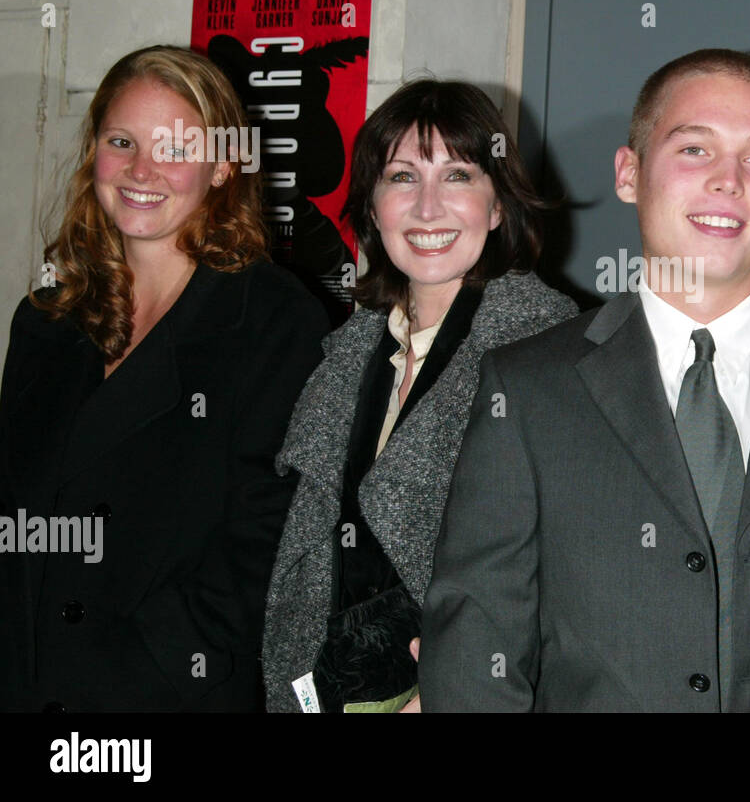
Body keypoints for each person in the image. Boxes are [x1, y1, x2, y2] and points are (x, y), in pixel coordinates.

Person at [419, 49, 750, 711]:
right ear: (629, 173)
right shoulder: (529, 389)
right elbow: (476, 656)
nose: (729, 180)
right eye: (694, 149)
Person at [0, 45, 329, 711]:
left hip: (166, 699)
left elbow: (272, 539)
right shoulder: (43, 323)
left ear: (221, 166)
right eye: (122, 141)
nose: (141, 169)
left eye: (174, 147)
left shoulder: (271, 320)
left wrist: (149, 661)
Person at [262, 80, 577, 713]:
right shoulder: (342, 358)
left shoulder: (553, 350)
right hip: (329, 691)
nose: (428, 208)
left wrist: (454, 686)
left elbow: (576, 572)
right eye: (403, 177)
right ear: (372, 207)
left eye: (458, 176)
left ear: (496, 206)